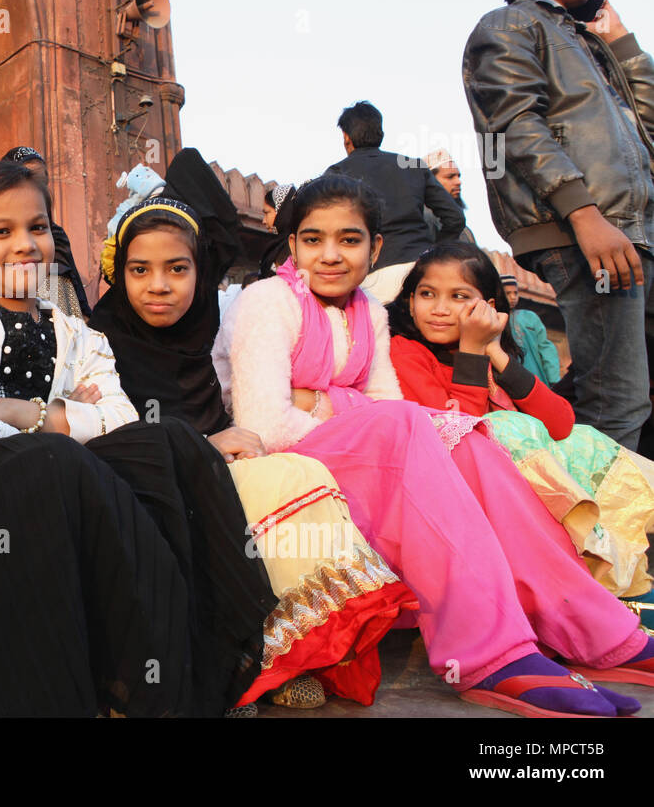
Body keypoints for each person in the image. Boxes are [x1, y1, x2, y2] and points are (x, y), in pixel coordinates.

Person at [0, 159, 275, 715]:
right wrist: (64, 421)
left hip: (57, 479)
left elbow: (119, 422)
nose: (25, 245)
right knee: (54, 460)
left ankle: (182, 674)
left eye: (37, 227)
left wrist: (23, 411)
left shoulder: (78, 335)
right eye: (1, 231)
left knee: (169, 443)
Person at [217, 175, 654, 717]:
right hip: (278, 464)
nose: (330, 255)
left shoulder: (369, 313)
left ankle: (601, 634)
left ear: (375, 248)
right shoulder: (268, 301)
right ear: (292, 245)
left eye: (349, 240)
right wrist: (345, 405)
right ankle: (492, 654)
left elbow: (380, 401)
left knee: (468, 438)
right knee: (408, 426)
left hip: (346, 450)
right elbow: (266, 424)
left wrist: (323, 399)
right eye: (313, 239)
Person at [90, 149, 417, 710]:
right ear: (118, 274)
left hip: (217, 468)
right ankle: (260, 657)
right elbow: (104, 436)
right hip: (143, 487)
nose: (158, 286)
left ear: (201, 269)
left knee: (293, 473)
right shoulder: (96, 341)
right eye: (139, 271)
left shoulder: (209, 334)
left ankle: (300, 651)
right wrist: (199, 448)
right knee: (273, 481)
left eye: (178, 268)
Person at [463, 0, 654, 451]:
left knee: (624, 391)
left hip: (630, 227)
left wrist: (623, 47)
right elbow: (514, 124)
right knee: (615, 398)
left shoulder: (587, 43)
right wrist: (583, 213)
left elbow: (648, 125)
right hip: (584, 228)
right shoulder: (510, 25)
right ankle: (593, 531)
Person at [386, 242, 654, 597]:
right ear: (410, 301)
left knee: (581, 437)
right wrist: (470, 350)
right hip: (456, 492)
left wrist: (494, 351)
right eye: (427, 294)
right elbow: (456, 436)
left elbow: (562, 425)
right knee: (511, 426)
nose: (439, 309)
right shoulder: (406, 352)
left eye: (458, 296)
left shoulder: (488, 356)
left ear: (488, 307)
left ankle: (613, 590)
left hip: (520, 499)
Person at [324, 101, 465, 303]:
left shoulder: (338, 174)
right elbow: (455, 218)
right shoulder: (413, 167)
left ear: (346, 137)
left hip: (373, 279)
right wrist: (433, 251)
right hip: (423, 270)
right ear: (380, 132)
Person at [1, 145, 91, 318]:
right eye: (30, 179)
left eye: (42, 181)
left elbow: (72, 277)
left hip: (64, 311)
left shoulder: (56, 234)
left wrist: (85, 313)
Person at [499, 273, 562, 385]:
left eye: (515, 293)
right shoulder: (494, 320)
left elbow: (545, 348)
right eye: (508, 293)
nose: (513, 297)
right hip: (508, 381)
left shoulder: (530, 317)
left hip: (537, 380)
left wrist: (554, 379)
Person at [423, 149, 477, 244]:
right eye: (450, 177)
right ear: (431, 181)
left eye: (458, 176)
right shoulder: (426, 217)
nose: (458, 182)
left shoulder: (462, 226)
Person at [257, 182, 297, 277]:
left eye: (267, 213)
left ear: (282, 210)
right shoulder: (277, 244)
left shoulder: (295, 245)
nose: (264, 221)